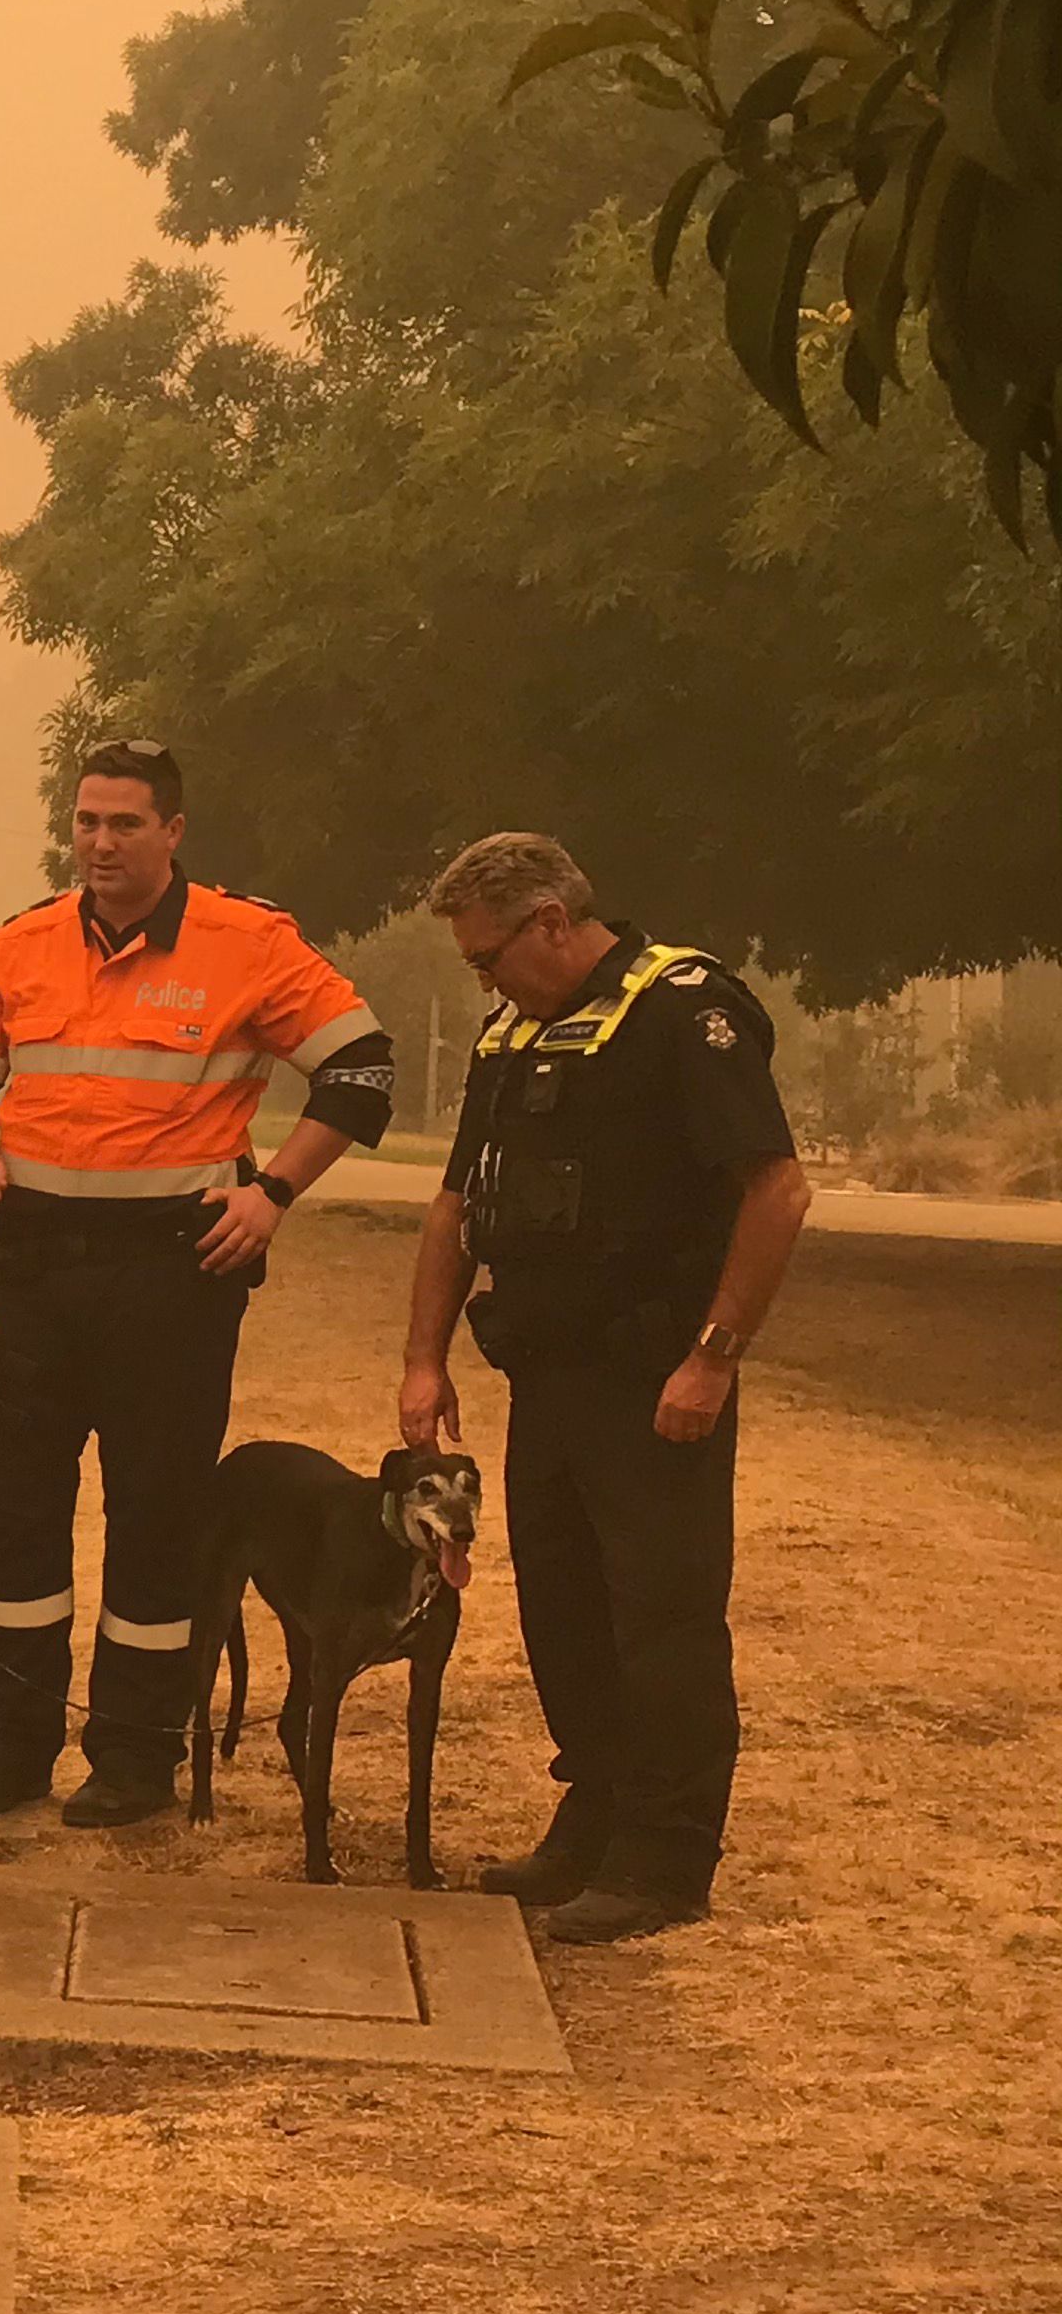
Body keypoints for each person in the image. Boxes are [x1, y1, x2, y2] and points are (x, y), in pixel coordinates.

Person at [0, 741, 399, 1827]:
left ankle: (135, 1759)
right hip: (29, 1272)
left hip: (170, 1277)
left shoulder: (250, 942)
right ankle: (12, 1746)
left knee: (157, 1520)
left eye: (125, 824)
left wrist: (272, 1191)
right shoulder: (25, 940)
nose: (100, 843)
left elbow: (363, 1067)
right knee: (14, 1521)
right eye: (86, 822)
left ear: (173, 834)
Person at [399, 833, 807, 1944]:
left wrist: (714, 1355)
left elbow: (775, 1188)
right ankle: (598, 1813)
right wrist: (423, 1359)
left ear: (550, 923)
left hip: (656, 1373)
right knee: (564, 1607)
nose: (482, 979)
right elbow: (454, 1208)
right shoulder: (514, 1033)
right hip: (549, 1369)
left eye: (490, 957)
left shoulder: (683, 1010)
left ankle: (667, 1858)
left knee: (663, 1618)